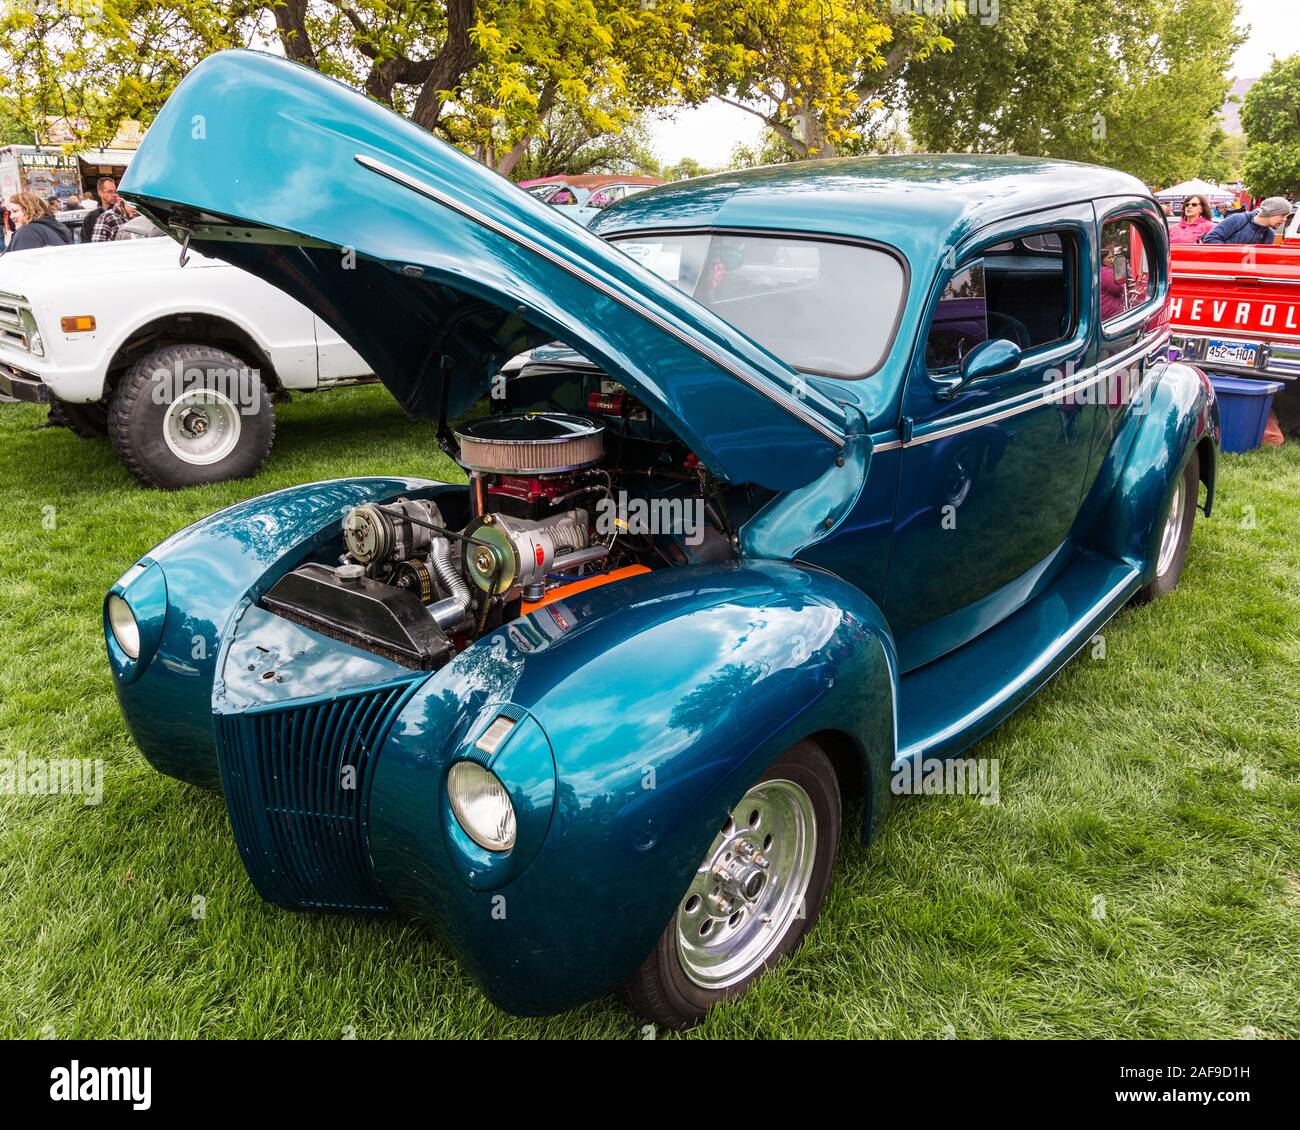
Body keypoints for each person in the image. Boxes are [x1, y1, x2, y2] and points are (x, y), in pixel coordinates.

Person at [1201, 197, 1292, 244]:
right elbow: (1210, 239)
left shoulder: (1269, 235)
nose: (1284, 219)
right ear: (1270, 212)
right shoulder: (1238, 219)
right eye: (1283, 215)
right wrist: (1234, 257)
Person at [3, 192, 74, 252]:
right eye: (10, 212)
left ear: (30, 210)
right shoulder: (51, 227)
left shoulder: (28, 232)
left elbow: (22, 265)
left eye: (15, 211)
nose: (11, 217)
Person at [80, 176, 118, 242]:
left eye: (115, 191)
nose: (114, 195)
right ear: (100, 193)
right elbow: (85, 243)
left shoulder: (121, 214)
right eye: (110, 191)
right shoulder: (91, 217)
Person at [1099, 248, 1126, 320]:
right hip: (1110, 312)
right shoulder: (1107, 272)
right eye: (1109, 258)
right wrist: (1122, 284)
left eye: (1112, 257)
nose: (1112, 260)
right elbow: (1117, 289)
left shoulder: (1096, 272)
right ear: (1102, 260)